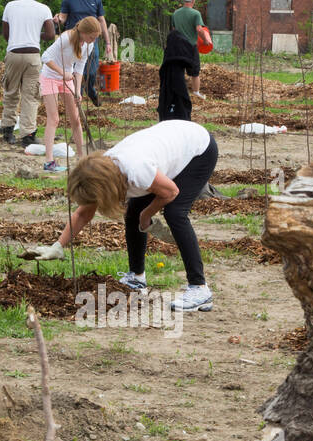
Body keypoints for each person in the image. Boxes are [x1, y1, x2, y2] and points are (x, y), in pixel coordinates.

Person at [26, 119, 218, 312]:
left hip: (198, 149)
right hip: (168, 145)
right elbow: (84, 213)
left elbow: (171, 192)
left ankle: (199, 288)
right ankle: (136, 277)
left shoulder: (136, 170)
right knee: (133, 211)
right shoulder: (103, 172)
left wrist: (148, 213)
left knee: (175, 212)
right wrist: (58, 246)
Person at [38, 16, 100, 173]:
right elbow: (45, 57)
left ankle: (81, 158)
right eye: (91, 37)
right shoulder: (66, 38)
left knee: (75, 119)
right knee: (54, 119)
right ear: (84, 32)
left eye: (95, 38)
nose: (93, 40)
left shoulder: (88, 45)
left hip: (68, 79)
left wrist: (78, 90)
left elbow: (79, 68)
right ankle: (49, 162)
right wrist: (62, 72)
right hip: (50, 76)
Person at [0, 0, 55, 147]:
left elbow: (5, 33)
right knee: (31, 96)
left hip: (14, 53)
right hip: (32, 55)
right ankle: (28, 135)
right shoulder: (43, 9)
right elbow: (51, 34)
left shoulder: (10, 6)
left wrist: (17, 40)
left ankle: (8, 130)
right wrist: (37, 36)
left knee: (11, 92)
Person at [57, 0, 109, 105]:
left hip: (92, 40)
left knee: (91, 72)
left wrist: (107, 42)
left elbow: (101, 20)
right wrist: (58, 19)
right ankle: (76, 97)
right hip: (75, 40)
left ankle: (91, 91)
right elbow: (63, 17)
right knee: (76, 70)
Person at [172, 0, 206, 99]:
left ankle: (178, 93)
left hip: (177, 46)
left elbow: (174, 29)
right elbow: (199, 29)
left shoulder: (175, 13)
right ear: (192, 1)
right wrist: (205, 40)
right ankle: (196, 93)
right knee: (194, 72)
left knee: (179, 70)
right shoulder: (196, 14)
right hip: (190, 47)